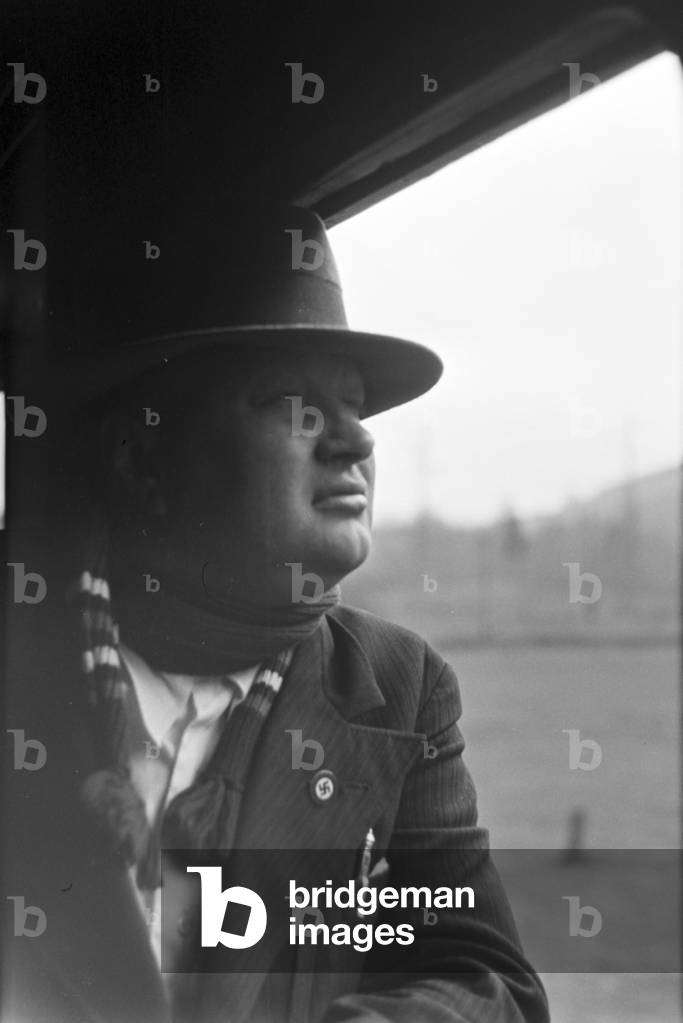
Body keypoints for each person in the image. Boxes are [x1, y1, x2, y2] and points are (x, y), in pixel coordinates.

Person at [4, 200, 550, 1023]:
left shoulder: (398, 689)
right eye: (295, 406)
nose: (355, 441)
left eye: (356, 408)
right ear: (142, 455)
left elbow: (487, 978)